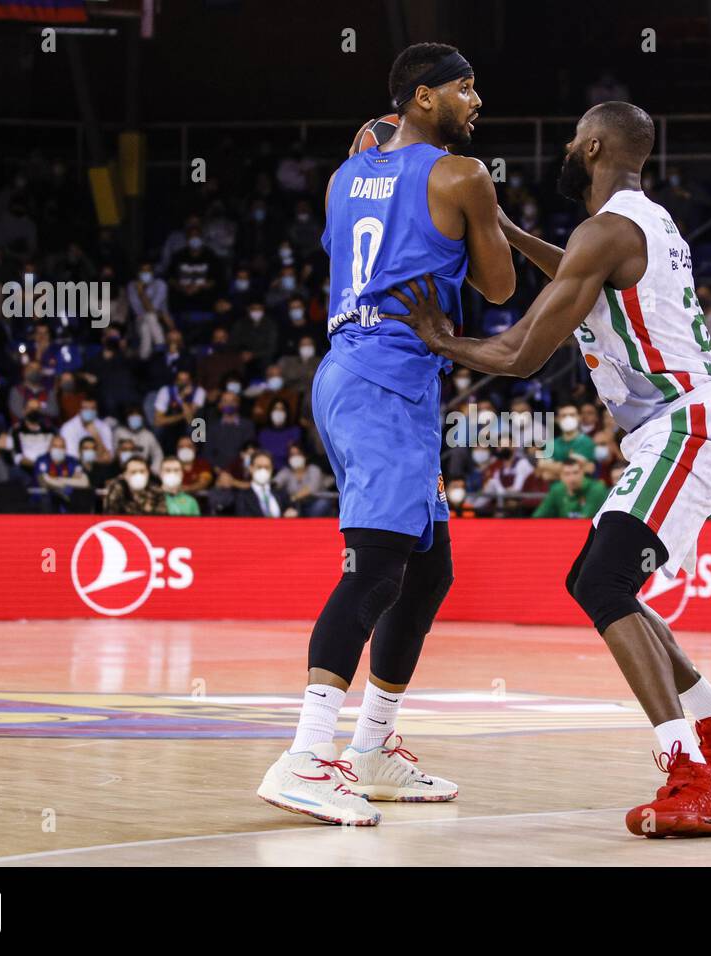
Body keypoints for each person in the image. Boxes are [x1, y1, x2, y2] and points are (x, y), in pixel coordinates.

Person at [393, 100, 711, 837]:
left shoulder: (604, 230)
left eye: (573, 139)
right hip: (692, 420)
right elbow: (579, 273)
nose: (567, 148)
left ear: (594, 145)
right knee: (595, 580)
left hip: (688, 421)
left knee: (603, 581)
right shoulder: (643, 221)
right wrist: (506, 232)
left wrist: (440, 340)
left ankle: (693, 774)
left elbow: (518, 355)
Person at [258, 42, 515, 826]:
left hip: (350, 375)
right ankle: (305, 756)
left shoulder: (341, 178)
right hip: (389, 383)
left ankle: (373, 749)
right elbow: (500, 286)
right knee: (374, 572)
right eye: (466, 87)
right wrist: (475, 222)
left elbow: (350, 252)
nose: (479, 100)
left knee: (426, 571)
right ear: (425, 97)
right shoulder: (464, 174)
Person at [532, 458, 608, 517]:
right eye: (567, 474)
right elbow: (538, 516)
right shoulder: (557, 490)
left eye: (575, 472)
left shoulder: (596, 489)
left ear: (582, 473)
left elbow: (585, 519)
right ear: (561, 476)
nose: (572, 478)